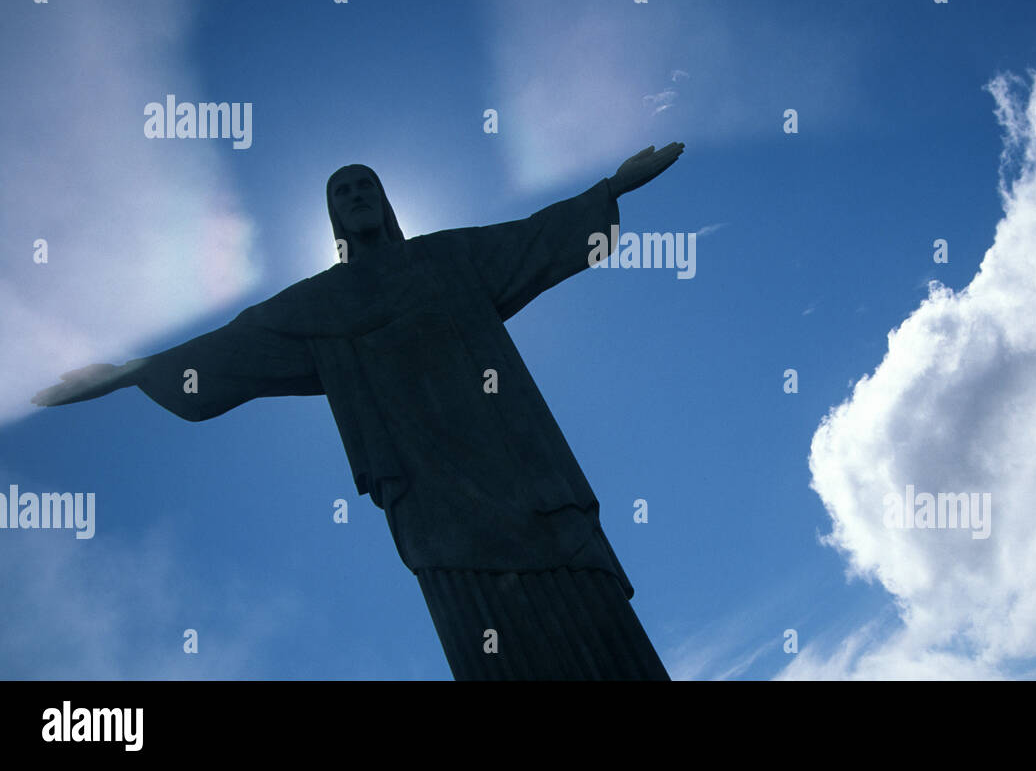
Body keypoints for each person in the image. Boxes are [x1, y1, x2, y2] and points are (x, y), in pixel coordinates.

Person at [33, 142, 685, 680]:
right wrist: (131, 372)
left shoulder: (450, 258)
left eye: (364, 183)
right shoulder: (314, 306)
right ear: (333, 218)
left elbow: (533, 238)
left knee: (597, 629)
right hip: (437, 512)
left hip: (526, 481)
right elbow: (232, 347)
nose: (355, 195)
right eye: (342, 191)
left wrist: (611, 191)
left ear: (386, 198)